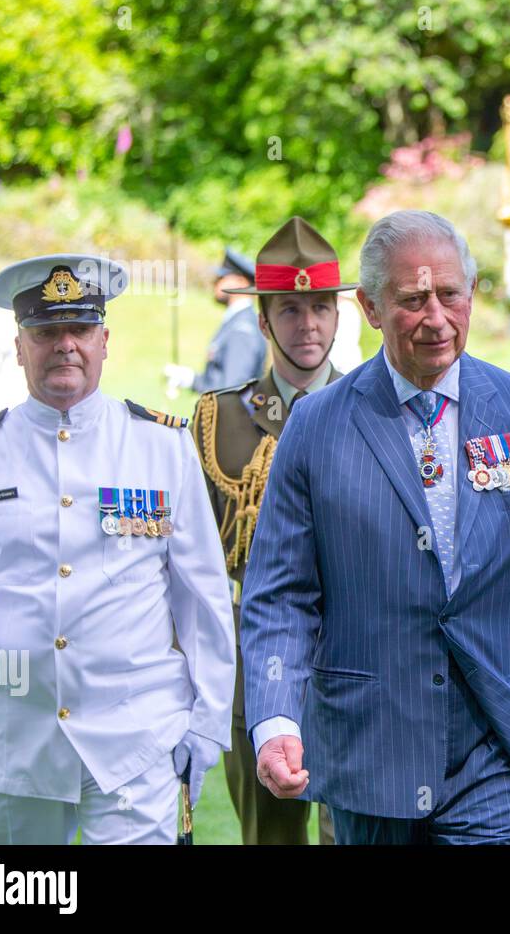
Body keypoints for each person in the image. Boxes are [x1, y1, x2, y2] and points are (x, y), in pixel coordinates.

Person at [240, 210, 510, 844]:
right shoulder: (316, 426)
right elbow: (281, 595)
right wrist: (275, 718)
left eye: (450, 295)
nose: (437, 318)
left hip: (499, 738)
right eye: (413, 300)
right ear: (370, 307)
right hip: (371, 745)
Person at [0, 253, 235, 844]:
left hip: (136, 736)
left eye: (79, 329)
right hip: (17, 740)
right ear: (19, 347)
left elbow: (203, 600)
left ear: (105, 340)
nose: (65, 345)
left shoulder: (160, 448)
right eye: (46, 331)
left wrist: (206, 724)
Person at [190, 217, 346, 845]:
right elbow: (191, 557)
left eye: (320, 308)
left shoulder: (377, 411)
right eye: (289, 310)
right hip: (254, 665)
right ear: (262, 319)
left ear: (340, 316)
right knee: (270, 838)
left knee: (356, 834)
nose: (306, 325)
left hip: (353, 667)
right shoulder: (218, 420)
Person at [164, 247, 267, 393]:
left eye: (221, 278)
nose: (215, 282)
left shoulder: (242, 329)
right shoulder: (236, 322)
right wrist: (191, 379)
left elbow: (232, 392)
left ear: (240, 282)